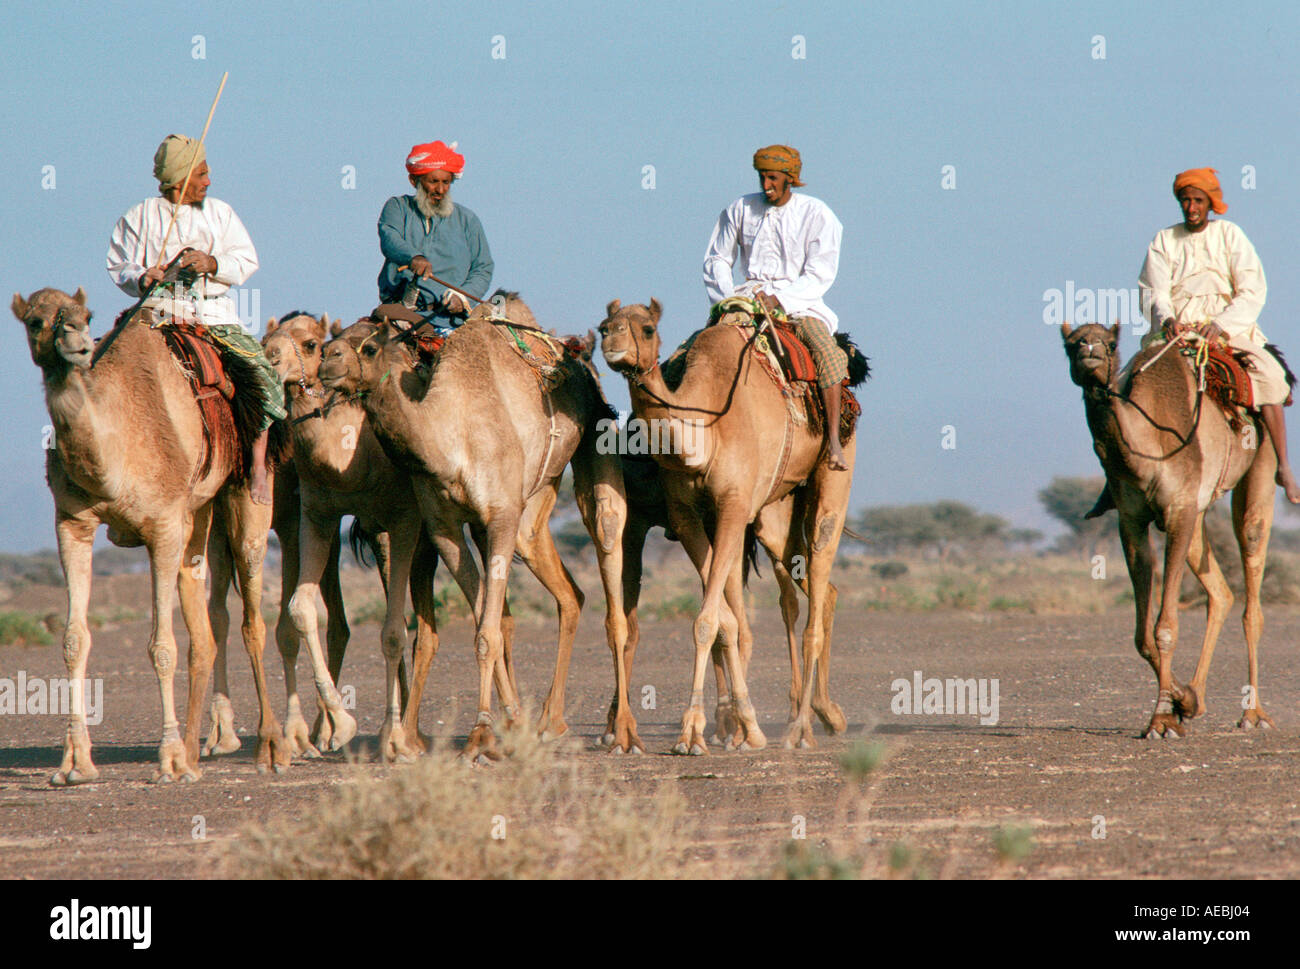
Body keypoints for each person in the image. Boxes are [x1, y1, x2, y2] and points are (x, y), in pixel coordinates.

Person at [1088, 167, 1299, 516]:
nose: (1190, 207)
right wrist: (1167, 318)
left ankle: (1285, 468)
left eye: (1197, 200)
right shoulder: (1163, 240)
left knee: (1271, 378)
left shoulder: (1230, 235)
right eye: (1185, 200)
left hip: (1226, 330)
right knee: (1120, 385)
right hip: (1173, 332)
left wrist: (1222, 325)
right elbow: (1153, 290)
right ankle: (1114, 480)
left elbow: (1251, 289)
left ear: (1210, 203)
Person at [106, 133, 285, 505]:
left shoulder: (221, 213)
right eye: (201, 174)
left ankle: (257, 469)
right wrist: (142, 276)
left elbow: (247, 259)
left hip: (212, 314)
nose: (208, 181)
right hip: (158, 311)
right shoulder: (139, 216)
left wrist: (213, 263)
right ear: (178, 180)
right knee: (103, 363)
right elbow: (118, 264)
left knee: (263, 376)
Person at [703, 144, 850, 470]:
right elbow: (717, 259)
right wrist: (728, 301)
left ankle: (834, 443)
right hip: (744, 300)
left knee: (827, 353)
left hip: (800, 303)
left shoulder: (817, 214)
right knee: (695, 352)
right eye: (762, 177)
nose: (766, 184)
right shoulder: (739, 208)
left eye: (772, 178)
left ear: (790, 178)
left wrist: (781, 300)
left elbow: (820, 272)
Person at [376, 140, 494, 328]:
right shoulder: (397, 207)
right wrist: (413, 257)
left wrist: (462, 297)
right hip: (400, 314)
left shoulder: (467, 220)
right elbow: (390, 237)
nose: (440, 190)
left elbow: (483, 267)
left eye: (446, 182)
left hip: (450, 322)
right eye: (433, 182)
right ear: (414, 181)